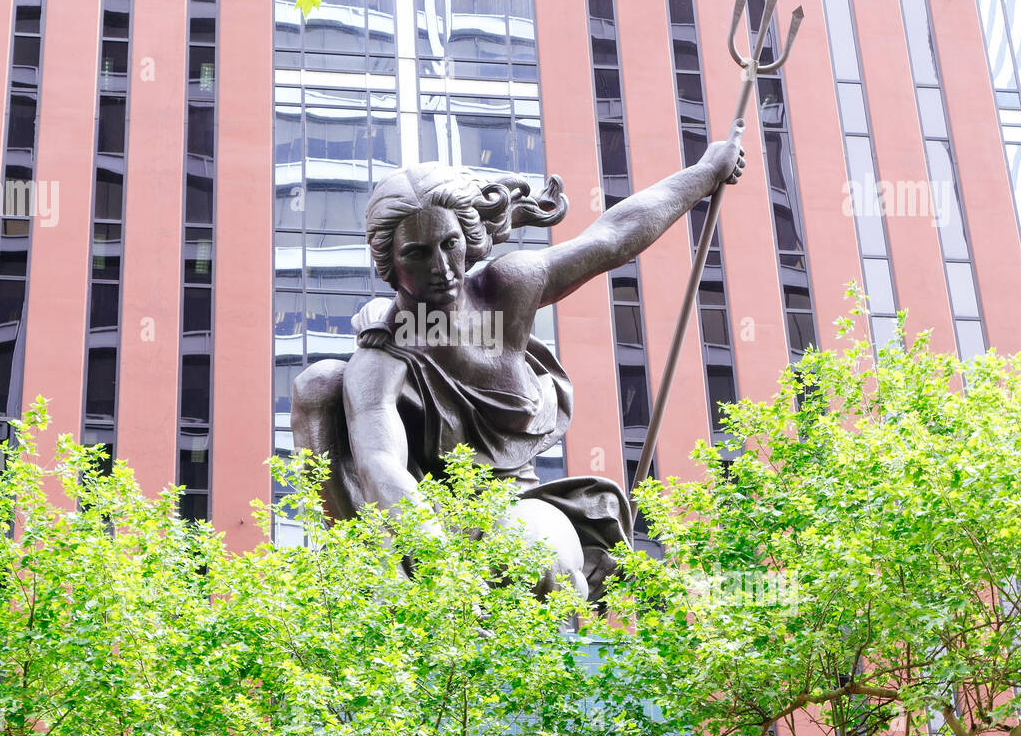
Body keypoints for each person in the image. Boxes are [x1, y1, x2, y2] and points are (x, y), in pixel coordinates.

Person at [292, 128, 746, 602]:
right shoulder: (384, 350)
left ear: (469, 235)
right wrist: (433, 556)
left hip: (518, 505)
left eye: (449, 244)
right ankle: (365, 577)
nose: (442, 266)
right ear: (389, 260)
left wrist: (705, 172)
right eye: (417, 253)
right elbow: (379, 462)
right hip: (421, 521)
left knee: (527, 549)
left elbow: (613, 239)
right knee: (320, 382)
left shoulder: (507, 288)